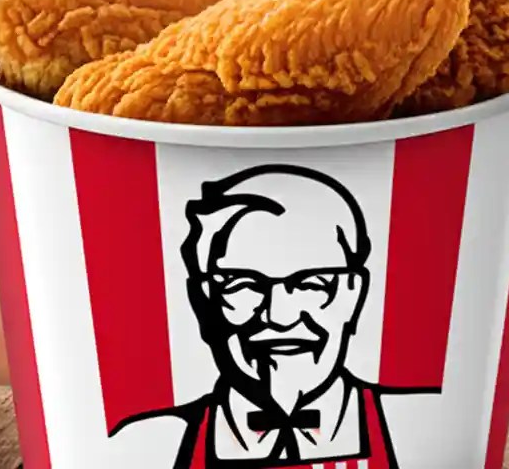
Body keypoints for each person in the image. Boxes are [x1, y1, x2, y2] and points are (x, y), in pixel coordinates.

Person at [118, 165, 408, 468]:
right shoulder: (152, 443)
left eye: (312, 284)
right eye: (243, 285)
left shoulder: (411, 422)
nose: (280, 317)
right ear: (202, 302)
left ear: (354, 295)